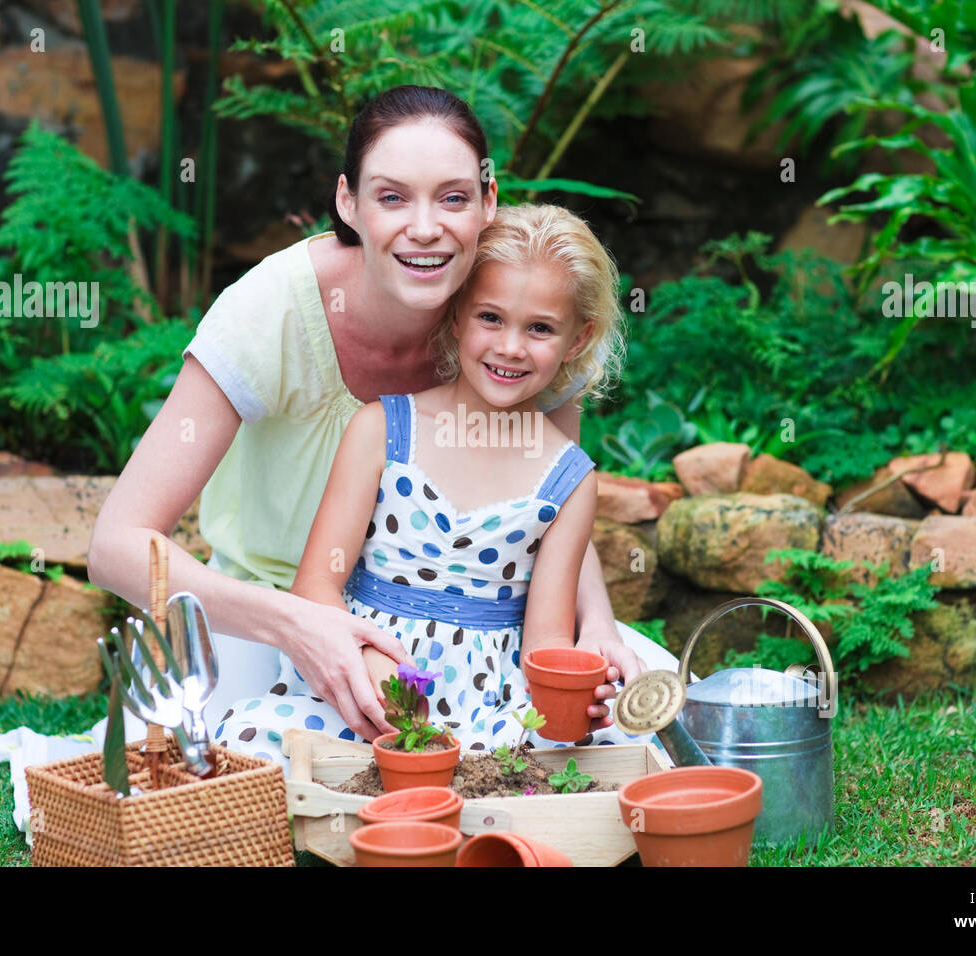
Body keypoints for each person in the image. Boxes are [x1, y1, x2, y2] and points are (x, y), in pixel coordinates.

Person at [87, 85, 679, 753]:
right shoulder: (271, 310)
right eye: (392, 196)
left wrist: (594, 624)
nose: (425, 228)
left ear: (488, 201)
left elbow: (544, 509)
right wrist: (302, 625)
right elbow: (114, 547)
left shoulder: (518, 310)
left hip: (482, 642)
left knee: (640, 710)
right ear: (348, 202)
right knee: (206, 766)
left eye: (453, 197)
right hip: (260, 614)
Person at [215, 204, 661, 762]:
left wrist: (570, 693)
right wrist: (383, 683)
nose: (510, 347)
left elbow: (545, 641)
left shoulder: (568, 478)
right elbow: (316, 589)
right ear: (455, 316)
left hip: (490, 709)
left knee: (610, 746)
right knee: (247, 733)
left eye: (540, 328)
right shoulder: (382, 429)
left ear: (577, 339)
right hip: (362, 688)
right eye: (490, 318)